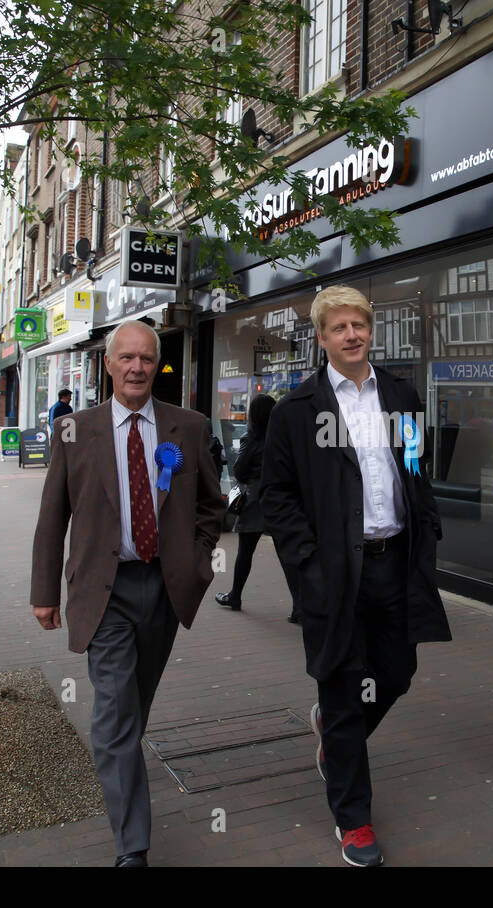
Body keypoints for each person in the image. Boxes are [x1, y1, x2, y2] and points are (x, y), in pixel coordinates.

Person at [262, 285, 451, 866]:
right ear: (321, 338)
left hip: (395, 563)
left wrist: (428, 531)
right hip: (335, 573)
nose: (351, 335)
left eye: (359, 325)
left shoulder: (400, 395)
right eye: (339, 327)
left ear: (371, 331)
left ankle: (334, 736)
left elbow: (416, 471)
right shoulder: (298, 410)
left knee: (396, 672)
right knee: (344, 689)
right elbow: (276, 496)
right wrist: (310, 565)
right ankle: (354, 819)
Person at [30, 319, 225, 867]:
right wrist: (44, 591)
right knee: (114, 715)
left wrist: (196, 564)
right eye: (127, 358)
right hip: (105, 592)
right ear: (109, 365)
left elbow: (212, 505)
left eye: (147, 359)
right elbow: (52, 519)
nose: (137, 368)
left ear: (156, 365)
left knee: (132, 711)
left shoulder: (187, 426)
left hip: (164, 589)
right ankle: (132, 848)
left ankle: (123, 782)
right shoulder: (74, 430)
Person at [215, 395, 302, 622]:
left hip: (254, 500)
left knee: (245, 551)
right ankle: (300, 607)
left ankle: (235, 596)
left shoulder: (250, 439)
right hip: (280, 499)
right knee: (286, 554)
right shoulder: (285, 438)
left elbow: (241, 470)